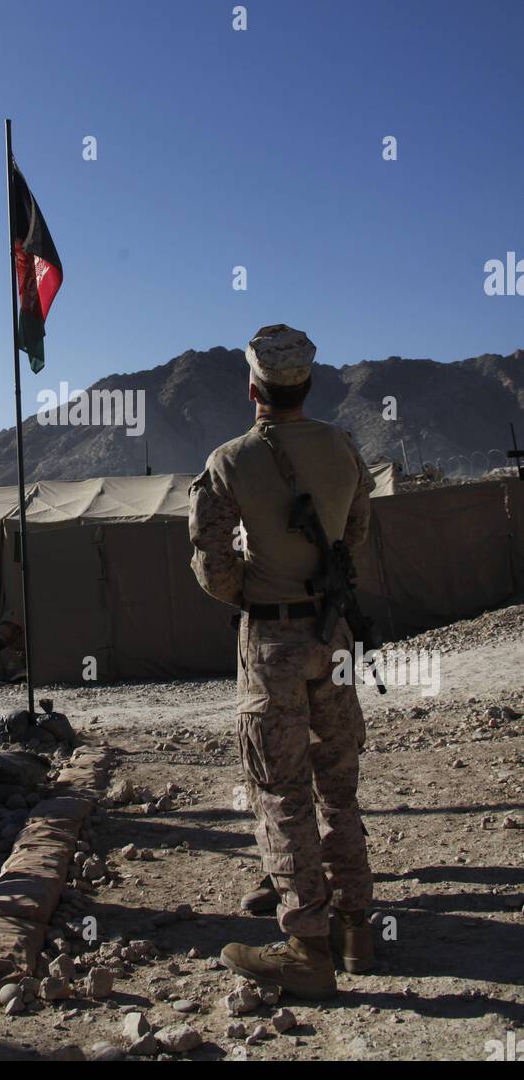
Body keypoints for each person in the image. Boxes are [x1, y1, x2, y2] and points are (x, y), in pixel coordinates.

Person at [188, 324, 374, 997]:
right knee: (339, 781)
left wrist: (255, 595)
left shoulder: (229, 461)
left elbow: (213, 563)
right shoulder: (346, 448)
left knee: (282, 792)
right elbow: (354, 535)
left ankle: (307, 946)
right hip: (336, 636)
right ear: (309, 384)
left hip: (272, 642)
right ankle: (356, 926)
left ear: (251, 387)